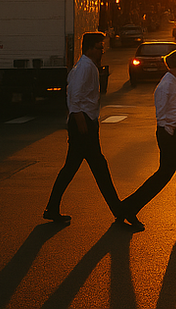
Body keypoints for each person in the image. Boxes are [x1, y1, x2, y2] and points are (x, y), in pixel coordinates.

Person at [43, 32, 138, 229]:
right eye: (99, 47)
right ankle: (119, 212)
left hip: (86, 122)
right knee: (99, 168)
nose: (102, 51)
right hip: (83, 124)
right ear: (89, 48)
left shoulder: (87, 66)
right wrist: (80, 119)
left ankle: (52, 208)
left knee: (74, 168)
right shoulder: (84, 67)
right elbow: (74, 94)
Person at [119, 48, 176, 227]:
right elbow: (161, 113)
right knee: (171, 173)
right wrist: (172, 133)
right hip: (172, 134)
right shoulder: (166, 85)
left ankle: (129, 207)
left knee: (174, 173)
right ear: (175, 65)